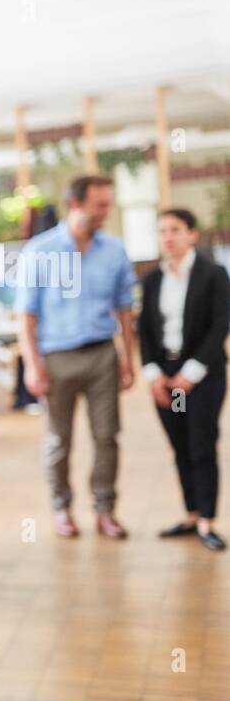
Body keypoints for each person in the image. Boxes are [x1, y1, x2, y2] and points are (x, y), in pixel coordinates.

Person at [15, 175, 138, 539]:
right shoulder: (39, 251)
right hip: (56, 357)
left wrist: (128, 360)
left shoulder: (114, 250)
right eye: (100, 205)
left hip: (102, 355)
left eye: (108, 204)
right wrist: (33, 365)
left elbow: (125, 311)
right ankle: (61, 508)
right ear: (75, 204)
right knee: (58, 440)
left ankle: (105, 509)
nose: (106, 211)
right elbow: (26, 316)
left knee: (107, 436)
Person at [140, 208, 230, 551]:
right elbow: (145, 332)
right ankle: (191, 514)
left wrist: (189, 375)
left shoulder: (213, 274)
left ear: (192, 234)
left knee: (201, 444)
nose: (168, 237)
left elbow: (220, 326)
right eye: (162, 230)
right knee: (180, 444)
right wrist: (154, 375)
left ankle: (208, 520)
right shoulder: (153, 279)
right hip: (167, 381)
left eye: (175, 230)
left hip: (202, 378)